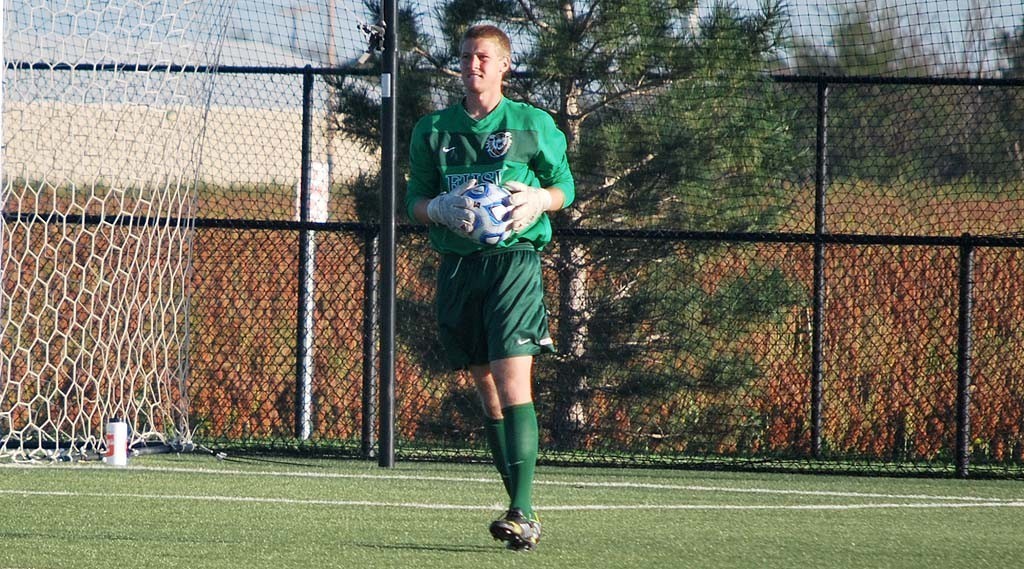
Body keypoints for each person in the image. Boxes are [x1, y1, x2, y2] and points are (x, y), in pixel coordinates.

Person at [405, 23, 575, 552]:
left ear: (504, 66)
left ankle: (521, 510)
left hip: (512, 264)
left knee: (512, 381)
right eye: (465, 57)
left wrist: (539, 201)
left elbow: (565, 186)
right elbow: (414, 200)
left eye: (482, 57)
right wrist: (436, 209)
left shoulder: (530, 123)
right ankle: (523, 515)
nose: (472, 65)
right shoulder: (433, 130)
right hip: (458, 269)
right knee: (486, 390)